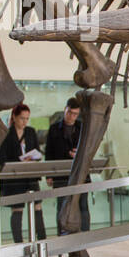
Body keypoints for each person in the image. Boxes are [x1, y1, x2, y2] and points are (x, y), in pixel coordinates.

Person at [0, 104, 46, 243]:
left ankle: (42, 239)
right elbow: (2, 157)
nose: (24, 122)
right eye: (22, 119)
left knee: (37, 205)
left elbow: (37, 151)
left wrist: (33, 157)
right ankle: (18, 242)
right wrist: (18, 160)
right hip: (15, 176)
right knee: (17, 209)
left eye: (27, 119)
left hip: (30, 175)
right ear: (14, 117)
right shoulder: (6, 133)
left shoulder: (30, 132)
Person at [45, 97, 90, 233]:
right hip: (61, 173)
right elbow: (49, 152)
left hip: (80, 172)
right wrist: (49, 175)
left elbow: (88, 148)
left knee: (82, 205)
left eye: (75, 114)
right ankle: (62, 233)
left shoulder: (82, 127)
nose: (71, 116)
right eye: (69, 112)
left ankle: (85, 234)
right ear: (65, 110)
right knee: (62, 205)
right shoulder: (54, 129)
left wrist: (79, 153)